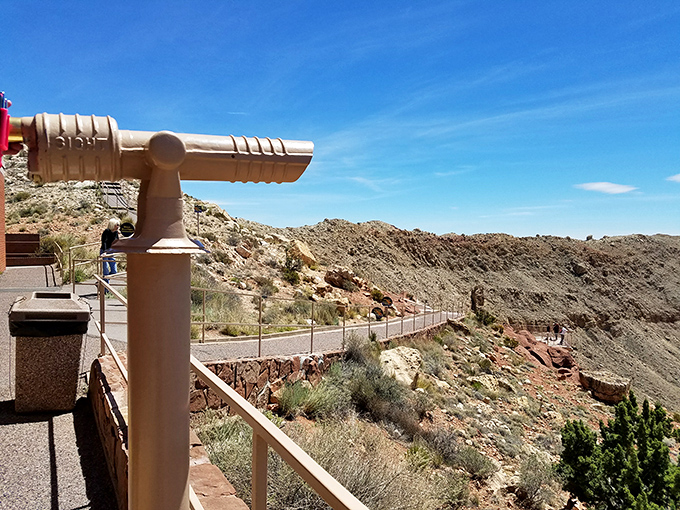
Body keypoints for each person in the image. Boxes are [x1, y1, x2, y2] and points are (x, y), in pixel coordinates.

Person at [100, 218, 120, 282]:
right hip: (104, 251)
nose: (118, 226)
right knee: (105, 270)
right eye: (117, 225)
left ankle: (102, 281)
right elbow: (104, 242)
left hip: (111, 251)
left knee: (114, 270)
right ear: (113, 225)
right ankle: (105, 288)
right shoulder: (106, 232)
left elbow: (117, 241)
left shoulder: (116, 232)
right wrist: (105, 252)